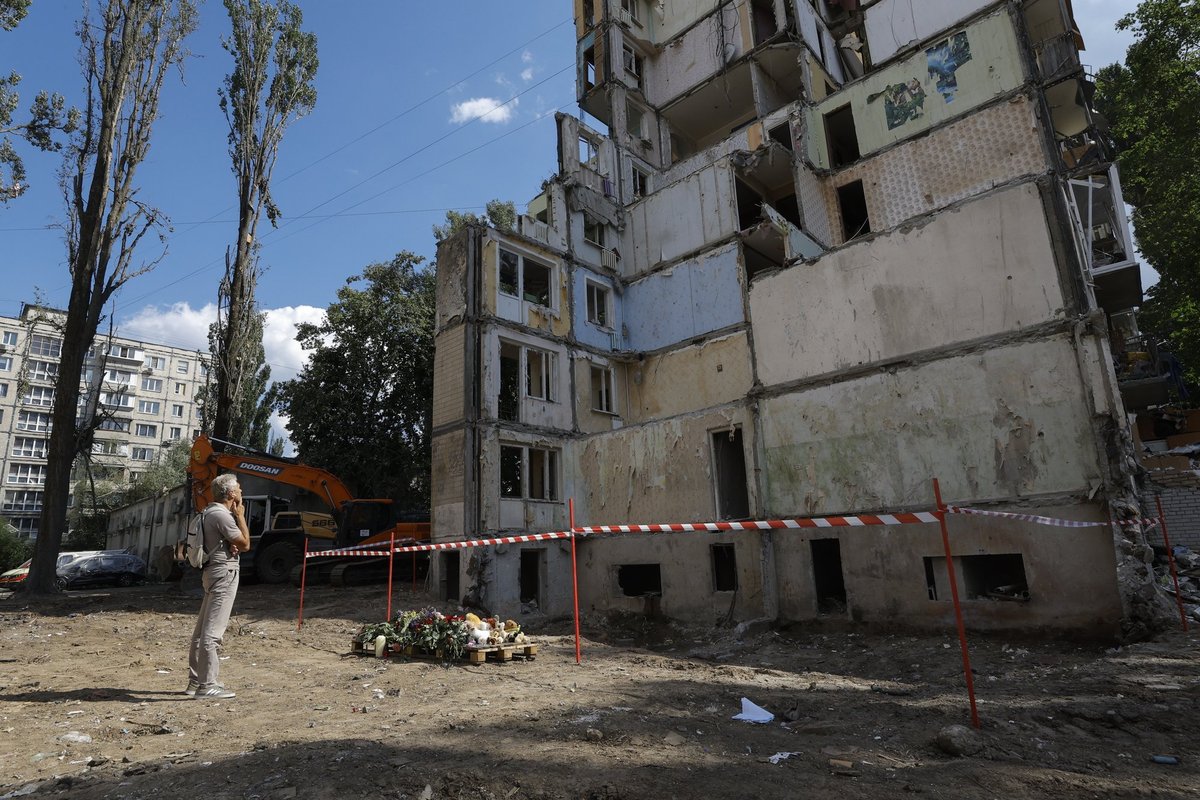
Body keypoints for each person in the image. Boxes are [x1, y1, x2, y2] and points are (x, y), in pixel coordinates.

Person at [185, 473, 250, 699]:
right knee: (212, 633)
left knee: (201, 630)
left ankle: (195, 681)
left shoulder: (208, 512)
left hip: (211, 572)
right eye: (239, 488)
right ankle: (207, 684)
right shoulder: (223, 515)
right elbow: (245, 544)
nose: (241, 492)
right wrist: (240, 517)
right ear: (231, 494)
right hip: (224, 573)